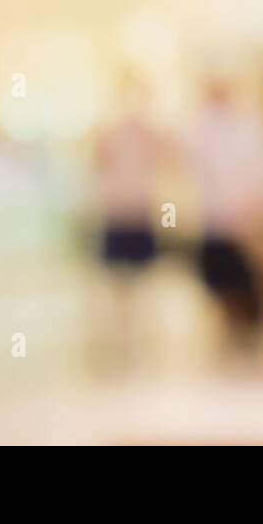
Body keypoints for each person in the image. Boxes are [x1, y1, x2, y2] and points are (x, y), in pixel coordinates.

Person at [188, 73, 263, 348]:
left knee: (256, 283)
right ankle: (236, 332)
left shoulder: (251, 129)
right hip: (223, 219)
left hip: (249, 216)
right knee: (226, 283)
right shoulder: (206, 128)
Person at [92, 73, 166, 362]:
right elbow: (100, 166)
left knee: (143, 276)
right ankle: (121, 333)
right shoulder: (109, 132)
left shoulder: (149, 132)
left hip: (139, 209)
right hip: (118, 211)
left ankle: (141, 333)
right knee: (118, 279)